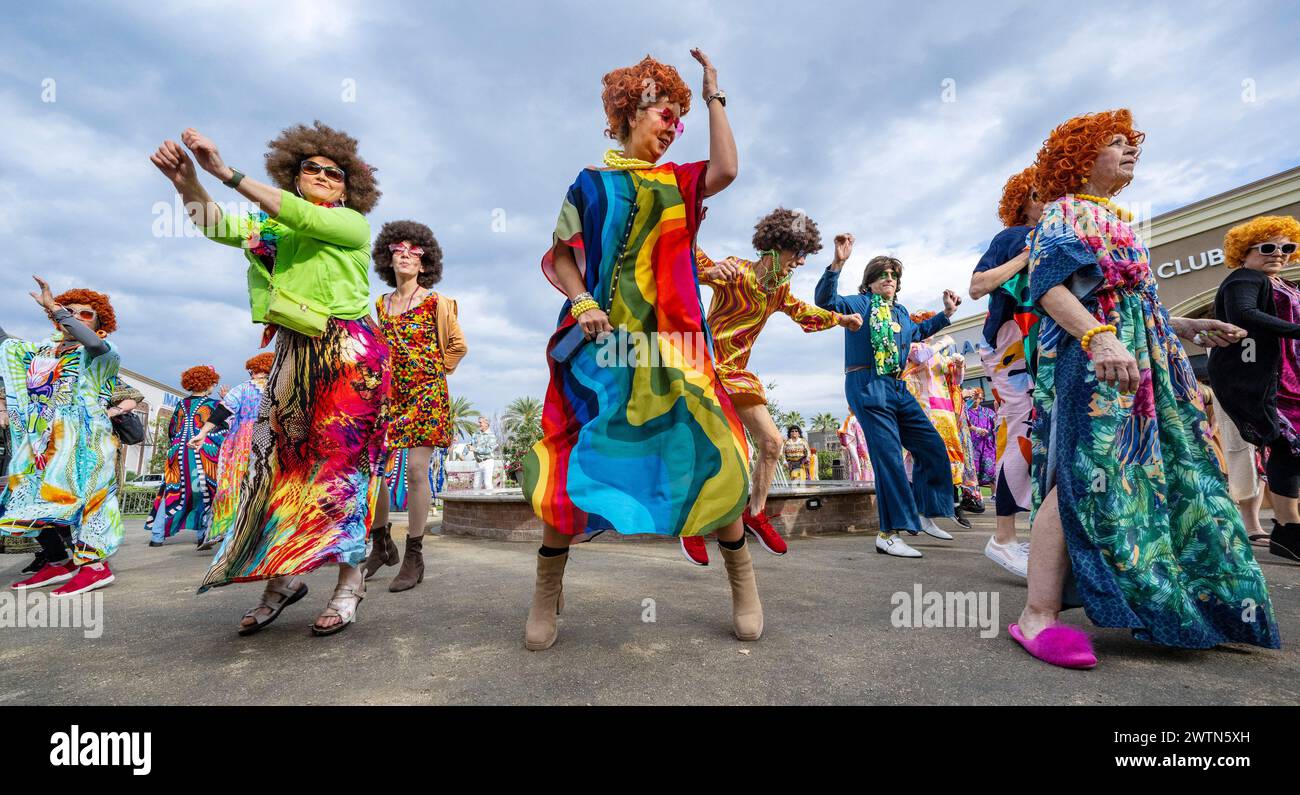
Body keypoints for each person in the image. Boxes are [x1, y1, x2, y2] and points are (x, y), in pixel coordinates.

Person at [1012, 109, 1279, 669]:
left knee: (1168, 472)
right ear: (1080, 158)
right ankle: (1037, 616)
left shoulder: (1116, 219)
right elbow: (1050, 291)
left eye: (1132, 143)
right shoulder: (1065, 212)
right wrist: (1101, 341)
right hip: (1100, 364)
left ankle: (1180, 603)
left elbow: (1137, 304)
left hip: (1146, 362)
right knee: (1083, 472)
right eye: (1116, 143)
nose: (1131, 150)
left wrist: (1189, 326)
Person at [520, 50, 762, 650]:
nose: (672, 125)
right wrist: (582, 303)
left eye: (680, 118)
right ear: (629, 111)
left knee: (713, 453)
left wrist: (712, 94)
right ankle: (547, 590)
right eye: (664, 111)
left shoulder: (681, 181)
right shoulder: (590, 183)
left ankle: (743, 581)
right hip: (600, 350)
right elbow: (567, 255)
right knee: (570, 462)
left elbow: (728, 170)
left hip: (676, 345)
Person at [151, 121, 390, 636]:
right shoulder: (272, 226)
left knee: (342, 470)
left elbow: (298, 213)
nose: (324, 176)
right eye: (312, 169)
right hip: (291, 353)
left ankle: (350, 582)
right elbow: (215, 225)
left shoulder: (350, 225)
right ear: (294, 174)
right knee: (280, 468)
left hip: (348, 354)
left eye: (335, 172)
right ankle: (283, 580)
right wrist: (187, 182)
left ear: (349, 187)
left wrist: (225, 171)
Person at [679, 208, 862, 565]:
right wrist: (692, 227)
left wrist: (840, 318)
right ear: (776, 247)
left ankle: (756, 512)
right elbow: (693, 263)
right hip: (705, 369)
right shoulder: (738, 270)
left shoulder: (778, 290)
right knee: (713, 449)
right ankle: (691, 524)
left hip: (737, 374)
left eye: (806, 255)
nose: (801, 262)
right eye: (797, 254)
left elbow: (802, 311)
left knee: (773, 442)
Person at [815, 236, 963, 558]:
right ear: (869, 282)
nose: (889, 279)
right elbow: (825, 301)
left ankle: (924, 512)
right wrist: (837, 265)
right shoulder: (859, 304)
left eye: (894, 275)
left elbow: (917, 332)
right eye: (882, 274)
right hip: (866, 384)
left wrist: (946, 313)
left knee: (932, 446)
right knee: (889, 458)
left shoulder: (901, 312)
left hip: (897, 388)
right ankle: (888, 533)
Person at [362, 220, 466, 593]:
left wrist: (433, 371)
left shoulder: (438, 302)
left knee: (417, 473)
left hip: (425, 394)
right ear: (387, 259)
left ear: (425, 264)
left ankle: (414, 554)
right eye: (398, 249)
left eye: (415, 250)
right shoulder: (380, 304)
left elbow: (457, 346)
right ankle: (381, 543)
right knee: (375, 472)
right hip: (389, 397)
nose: (405, 254)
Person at [3, 277, 123, 595]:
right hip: (45, 438)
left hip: (86, 438)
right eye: (71, 311)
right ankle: (58, 561)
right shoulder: (43, 351)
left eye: (86, 314)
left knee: (89, 500)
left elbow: (94, 344)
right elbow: (5, 347)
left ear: (99, 323)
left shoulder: (103, 352)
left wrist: (57, 309)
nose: (74, 317)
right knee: (29, 495)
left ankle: (96, 567)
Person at [1207, 214, 1300, 562]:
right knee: (1284, 445)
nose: (1279, 253)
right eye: (1268, 247)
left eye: (1287, 247)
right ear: (1245, 252)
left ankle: (1290, 530)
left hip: (1288, 378)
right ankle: (1288, 529)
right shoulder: (1244, 278)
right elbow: (1244, 314)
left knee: (1291, 450)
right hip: (1257, 379)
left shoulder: (1285, 283)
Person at [969, 165, 1044, 578]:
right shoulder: (1012, 237)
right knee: (1020, 431)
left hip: (1047, 342)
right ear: (1023, 202)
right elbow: (978, 286)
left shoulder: (1061, 236)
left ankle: (1034, 532)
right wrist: (1024, 257)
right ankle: (1003, 537)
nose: (1047, 199)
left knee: (1042, 432)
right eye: (1038, 193)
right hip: (1014, 340)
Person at [189, 353, 273, 551]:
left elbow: (222, 411)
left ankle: (231, 531)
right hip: (270, 443)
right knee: (267, 487)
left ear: (254, 369)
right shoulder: (278, 387)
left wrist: (202, 433)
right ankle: (265, 534)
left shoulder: (243, 388)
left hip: (242, 446)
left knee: (235, 487)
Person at [900, 331, 978, 528]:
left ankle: (954, 505)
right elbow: (919, 357)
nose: (931, 335)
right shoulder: (912, 348)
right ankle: (913, 511)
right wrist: (944, 341)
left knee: (950, 457)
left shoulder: (939, 356)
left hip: (944, 411)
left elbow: (956, 382)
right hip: (922, 409)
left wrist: (959, 366)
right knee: (917, 458)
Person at [144, 365, 224, 547]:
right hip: (202, 453)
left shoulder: (181, 404)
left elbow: (172, 429)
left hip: (177, 453)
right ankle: (203, 535)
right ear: (208, 384)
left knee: (172, 491)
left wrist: (176, 445)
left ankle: (157, 536)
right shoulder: (214, 405)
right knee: (206, 490)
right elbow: (222, 430)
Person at [965, 388, 996, 487]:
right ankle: (976, 494)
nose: (974, 400)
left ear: (981, 399)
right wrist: (977, 430)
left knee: (991, 470)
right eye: (971, 398)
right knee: (973, 471)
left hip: (988, 446)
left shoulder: (988, 412)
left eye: (976, 398)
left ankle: (994, 494)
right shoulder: (965, 412)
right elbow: (964, 426)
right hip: (972, 447)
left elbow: (997, 424)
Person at [839, 409, 873, 484]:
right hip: (866, 449)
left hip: (857, 449)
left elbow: (844, 434)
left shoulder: (850, 419)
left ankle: (859, 483)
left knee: (858, 466)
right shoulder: (864, 418)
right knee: (865, 465)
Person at [468, 416, 498, 490]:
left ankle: (490, 501)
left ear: (486, 424)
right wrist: (463, 454)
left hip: (488, 462)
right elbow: (470, 444)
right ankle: (476, 501)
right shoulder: (476, 434)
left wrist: (475, 449)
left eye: (480, 422)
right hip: (478, 463)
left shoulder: (491, 436)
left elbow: (489, 450)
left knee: (487, 484)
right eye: (479, 422)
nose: (479, 424)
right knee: (475, 485)